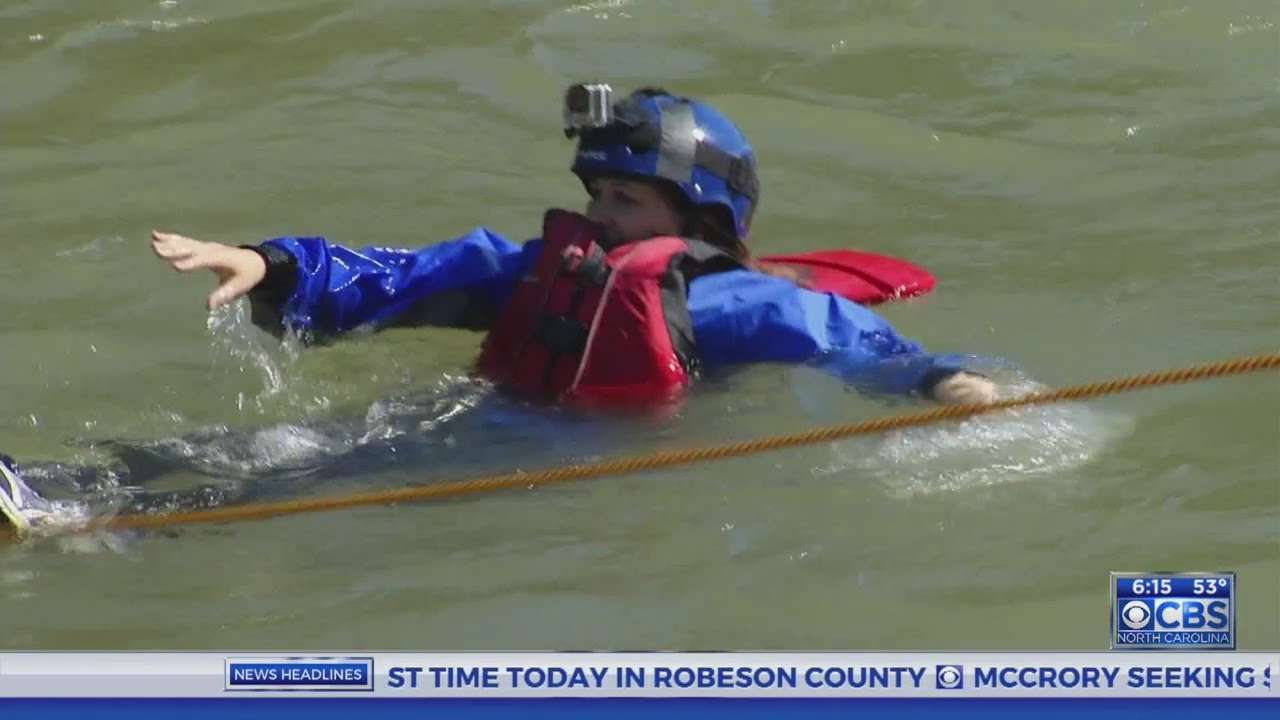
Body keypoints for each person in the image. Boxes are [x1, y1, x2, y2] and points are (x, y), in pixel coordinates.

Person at [1, 84, 1001, 537]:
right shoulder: (537, 266)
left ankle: (89, 519)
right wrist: (266, 265)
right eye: (597, 197)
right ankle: (57, 482)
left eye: (627, 202)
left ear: (694, 220)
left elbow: (841, 334)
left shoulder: (734, 300)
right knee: (275, 445)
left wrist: (939, 379)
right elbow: (398, 275)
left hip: (545, 462)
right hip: (464, 416)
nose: (601, 218)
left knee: (313, 480)